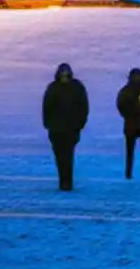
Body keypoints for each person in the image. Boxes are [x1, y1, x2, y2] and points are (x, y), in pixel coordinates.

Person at [42, 62, 89, 191]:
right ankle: (63, 181)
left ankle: (67, 182)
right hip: (56, 130)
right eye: (62, 74)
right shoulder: (53, 88)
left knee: (68, 156)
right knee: (59, 156)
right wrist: (47, 124)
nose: (64, 77)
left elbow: (83, 107)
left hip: (71, 129)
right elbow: (46, 107)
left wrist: (80, 124)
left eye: (66, 74)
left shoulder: (77, 87)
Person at [116, 67, 140, 180]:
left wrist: (128, 115)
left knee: (132, 152)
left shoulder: (126, 91)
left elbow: (120, 106)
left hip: (134, 124)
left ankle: (130, 173)